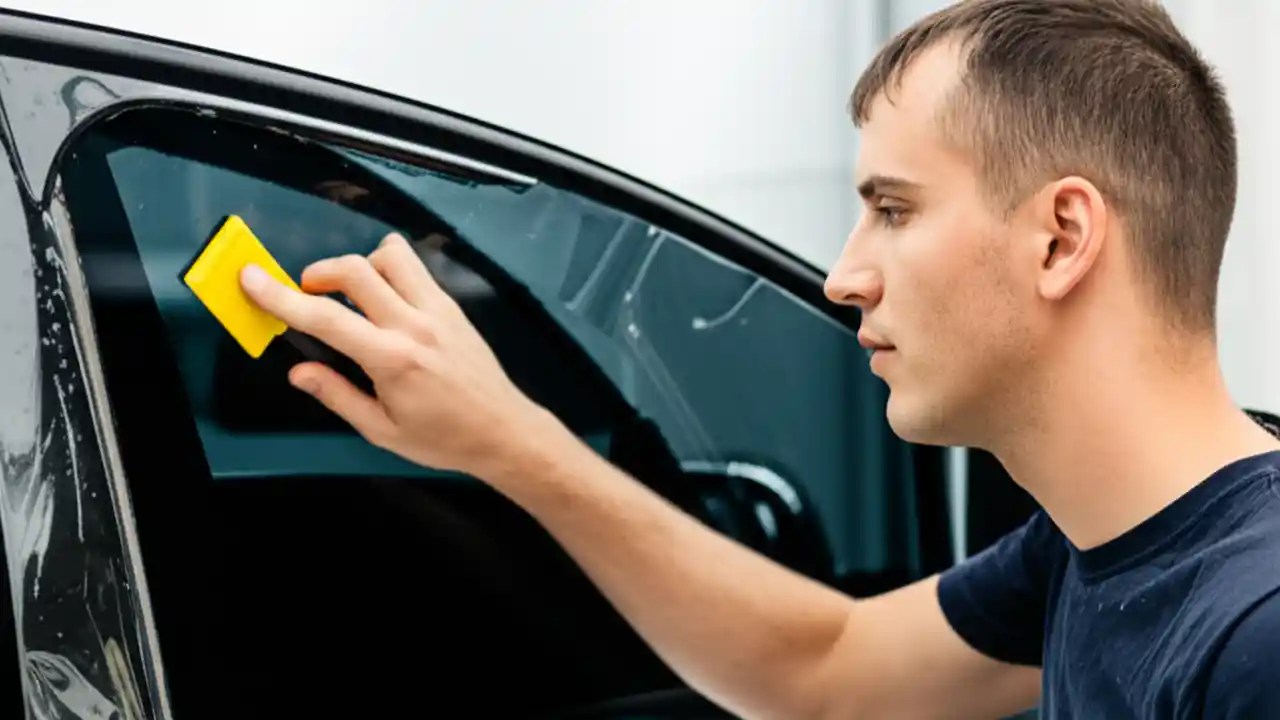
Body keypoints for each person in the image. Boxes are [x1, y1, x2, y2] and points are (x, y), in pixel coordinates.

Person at [237, 0, 1280, 717]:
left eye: (890, 210)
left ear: (1059, 239)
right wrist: (507, 440)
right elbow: (822, 677)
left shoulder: (1253, 639)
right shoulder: (1088, 548)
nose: (842, 276)